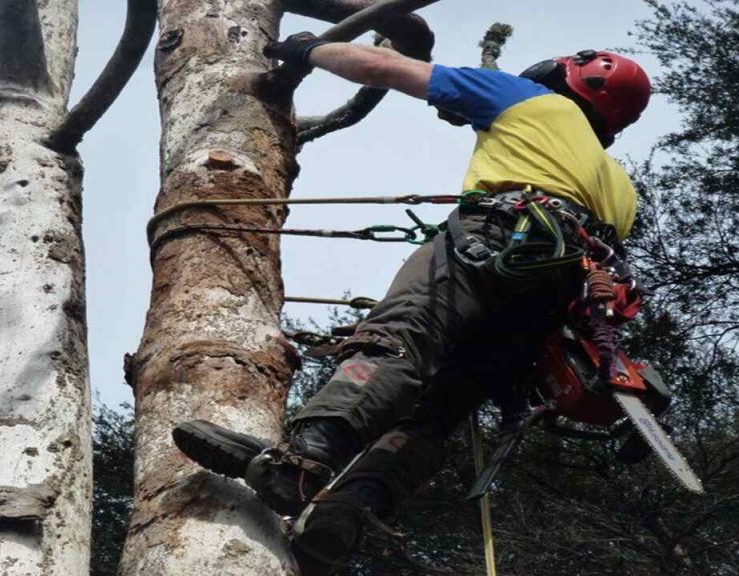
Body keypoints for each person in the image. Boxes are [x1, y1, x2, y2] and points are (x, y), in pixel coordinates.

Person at [172, 32, 652, 570]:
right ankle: (347, 513)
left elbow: (379, 65)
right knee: (434, 415)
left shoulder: (529, 102)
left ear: (573, 78)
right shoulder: (621, 190)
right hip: (546, 301)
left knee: (399, 340)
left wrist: (310, 49)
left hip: (493, 240)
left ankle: (301, 463)